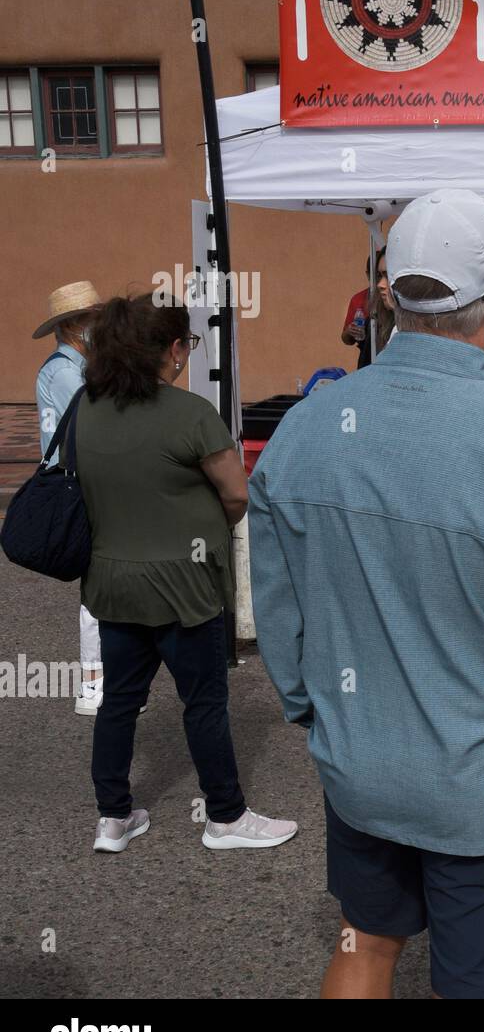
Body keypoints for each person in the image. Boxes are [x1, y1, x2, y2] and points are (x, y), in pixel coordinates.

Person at [249, 188, 484, 1000]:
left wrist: (319, 714)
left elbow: (279, 615)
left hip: (360, 767)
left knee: (366, 944)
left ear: (390, 294)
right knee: (475, 984)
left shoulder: (307, 429)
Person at [76, 295, 297, 855]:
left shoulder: (88, 407)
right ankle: (224, 817)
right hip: (185, 585)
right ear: (173, 349)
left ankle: (113, 817)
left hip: (112, 581)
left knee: (120, 701)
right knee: (203, 701)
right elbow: (236, 493)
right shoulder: (191, 413)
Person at [33, 281, 106, 716]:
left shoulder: (74, 367)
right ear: (76, 326)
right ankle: (93, 683)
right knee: (96, 582)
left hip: (83, 482)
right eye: (94, 318)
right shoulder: (64, 372)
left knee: (102, 578)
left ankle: (105, 679)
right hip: (74, 486)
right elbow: (94, 422)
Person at [341, 247, 392, 368]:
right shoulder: (358, 299)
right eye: (376, 276)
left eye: (385, 275)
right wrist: (350, 331)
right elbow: (346, 339)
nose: (380, 283)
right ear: (368, 275)